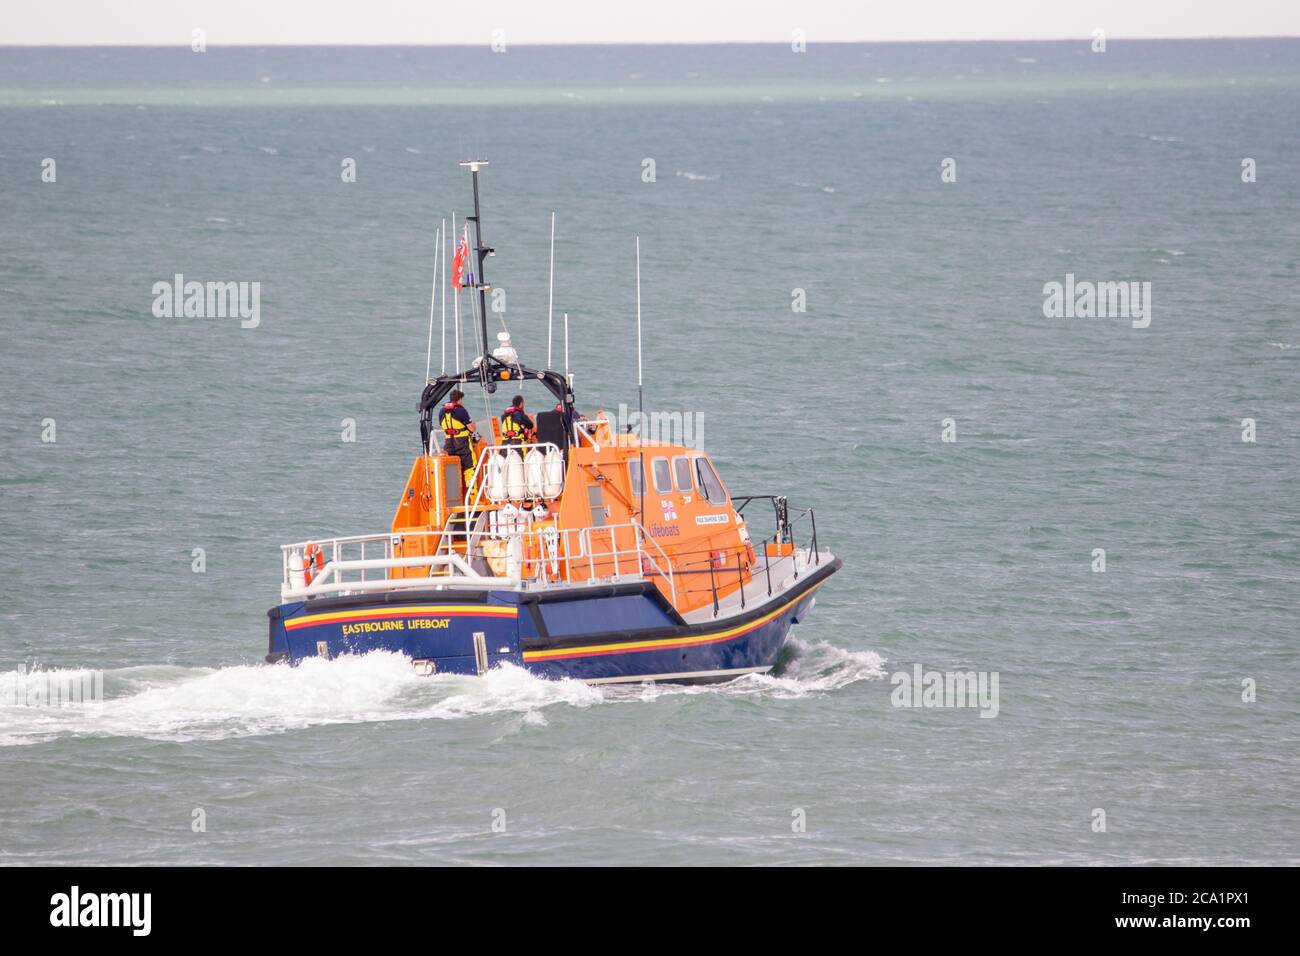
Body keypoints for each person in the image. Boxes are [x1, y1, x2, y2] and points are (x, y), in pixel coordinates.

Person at [439, 389, 477, 493]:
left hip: (448, 443)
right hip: (462, 443)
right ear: (459, 399)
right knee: (470, 467)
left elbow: (442, 426)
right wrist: (474, 426)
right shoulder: (461, 410)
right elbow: (471, 429)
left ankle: (453, 494)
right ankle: (472, 495)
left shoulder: (442, 411)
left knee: (451, 468)